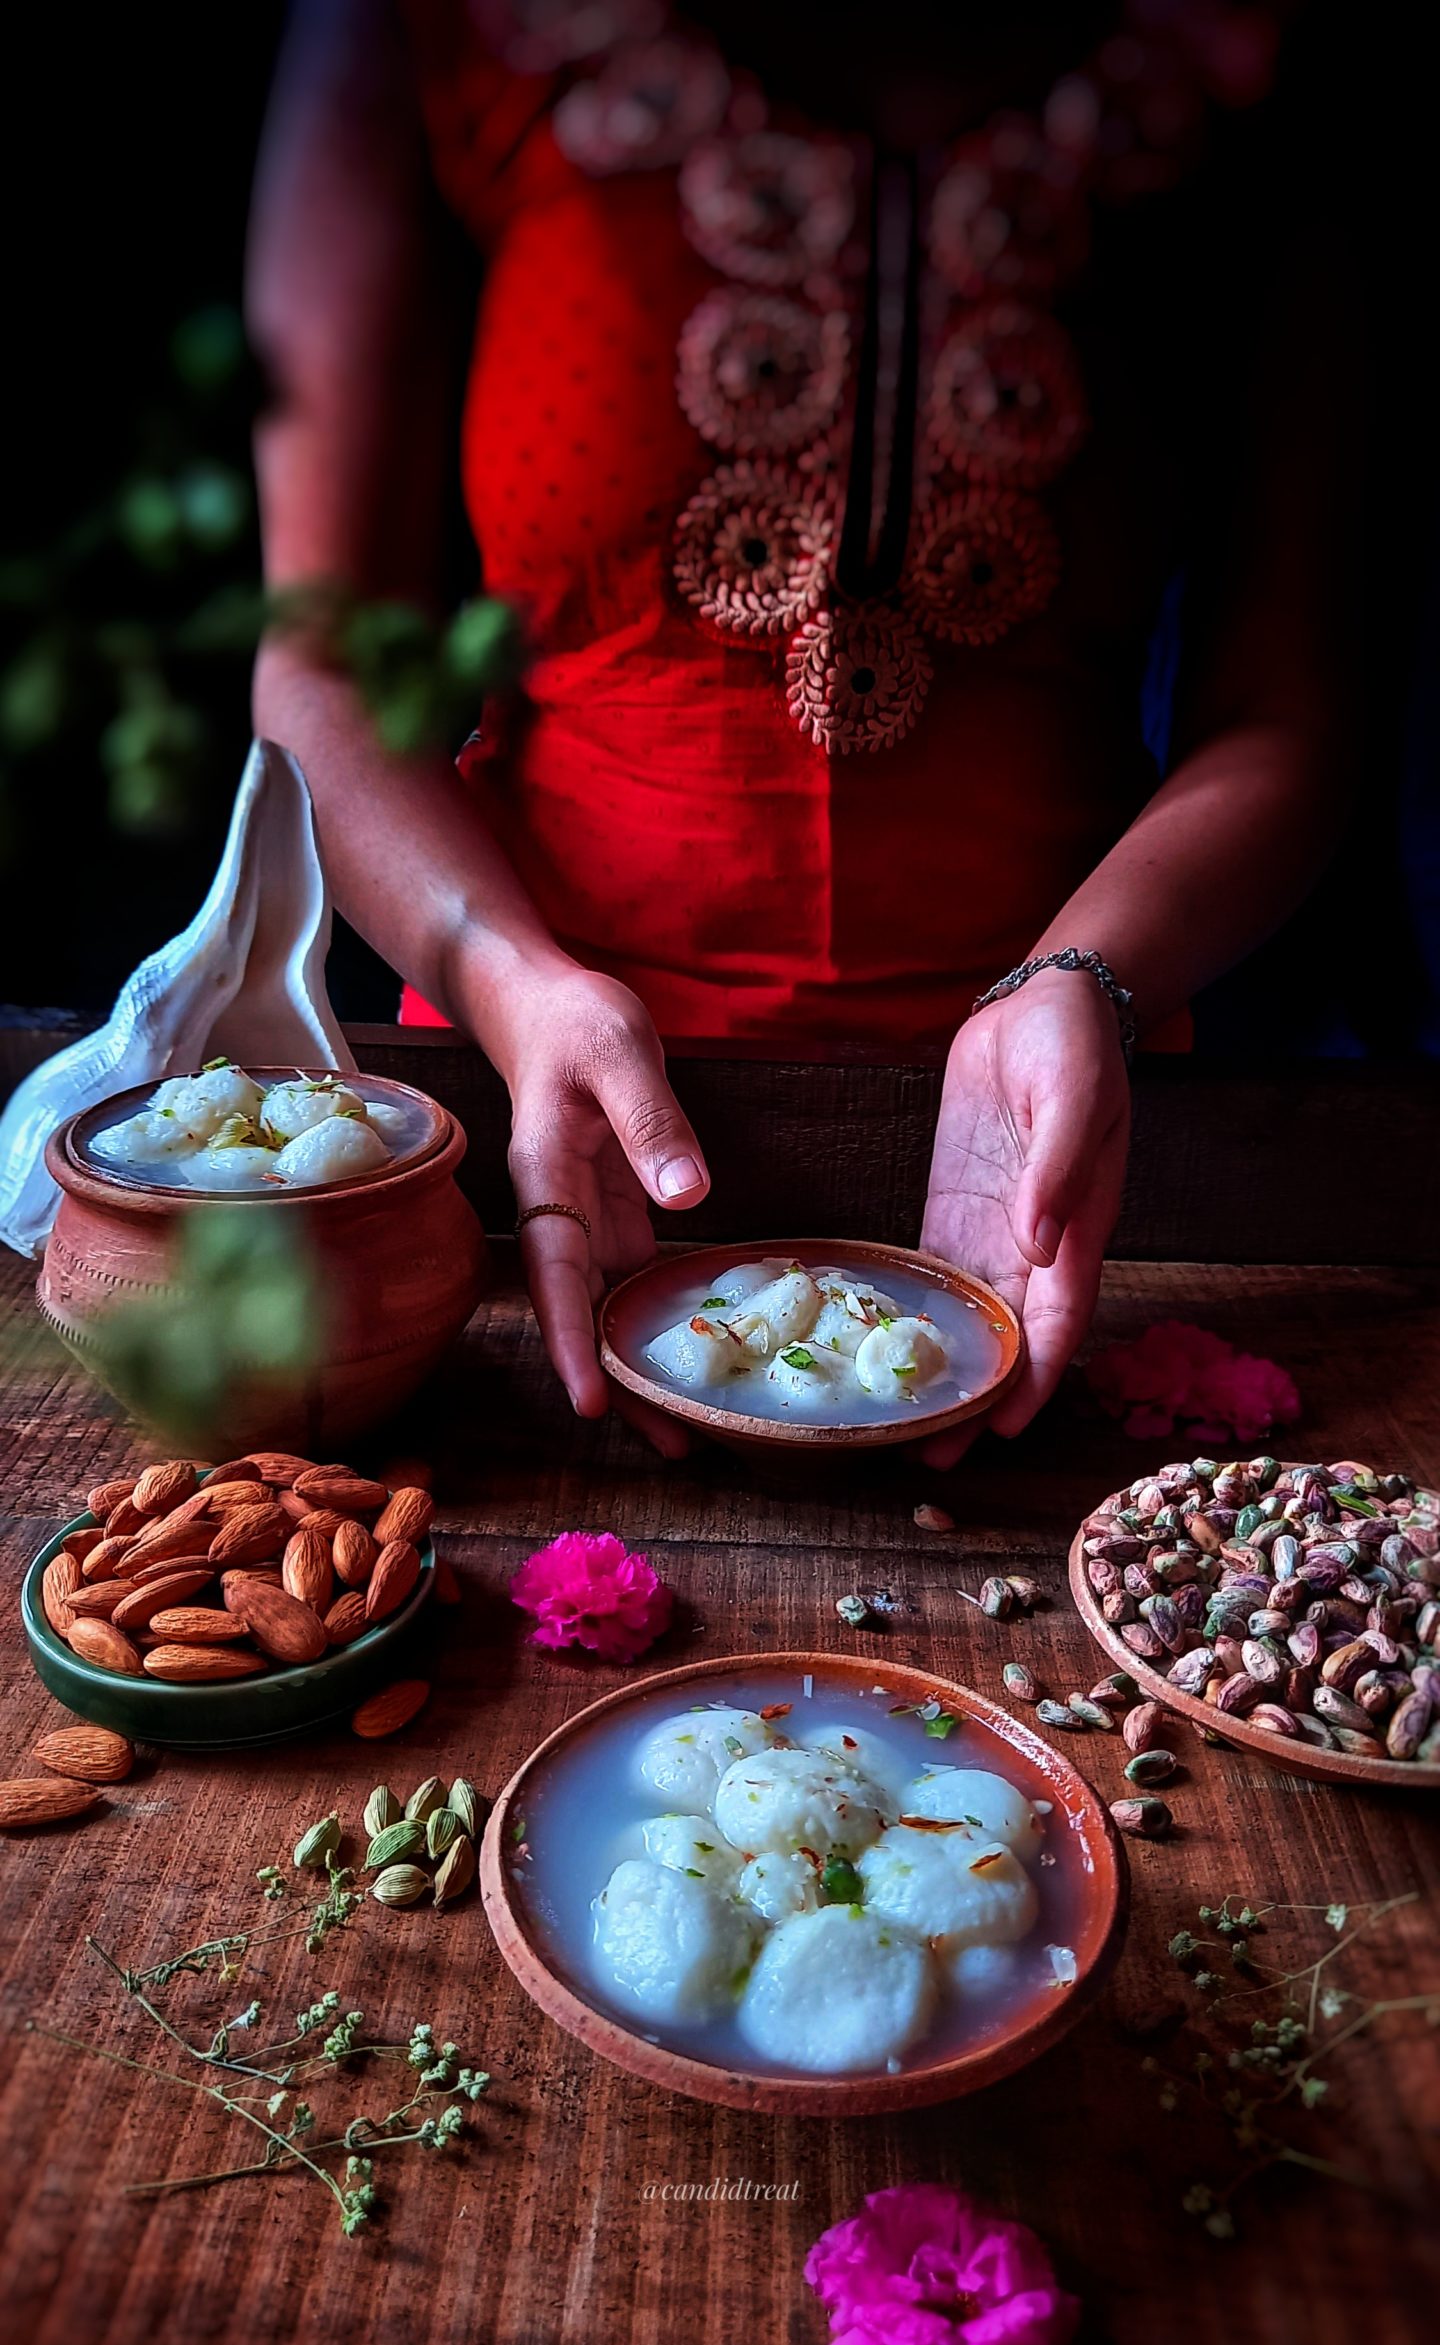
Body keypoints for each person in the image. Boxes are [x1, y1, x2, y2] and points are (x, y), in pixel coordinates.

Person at [248, 0, 1355, 1461]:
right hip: (541, 1130)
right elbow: (318, 666)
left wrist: (1088, 980)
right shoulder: (431, 28)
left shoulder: (1246, 54)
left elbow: (1286, 709)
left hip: (1068, 1155)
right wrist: (515, 987)